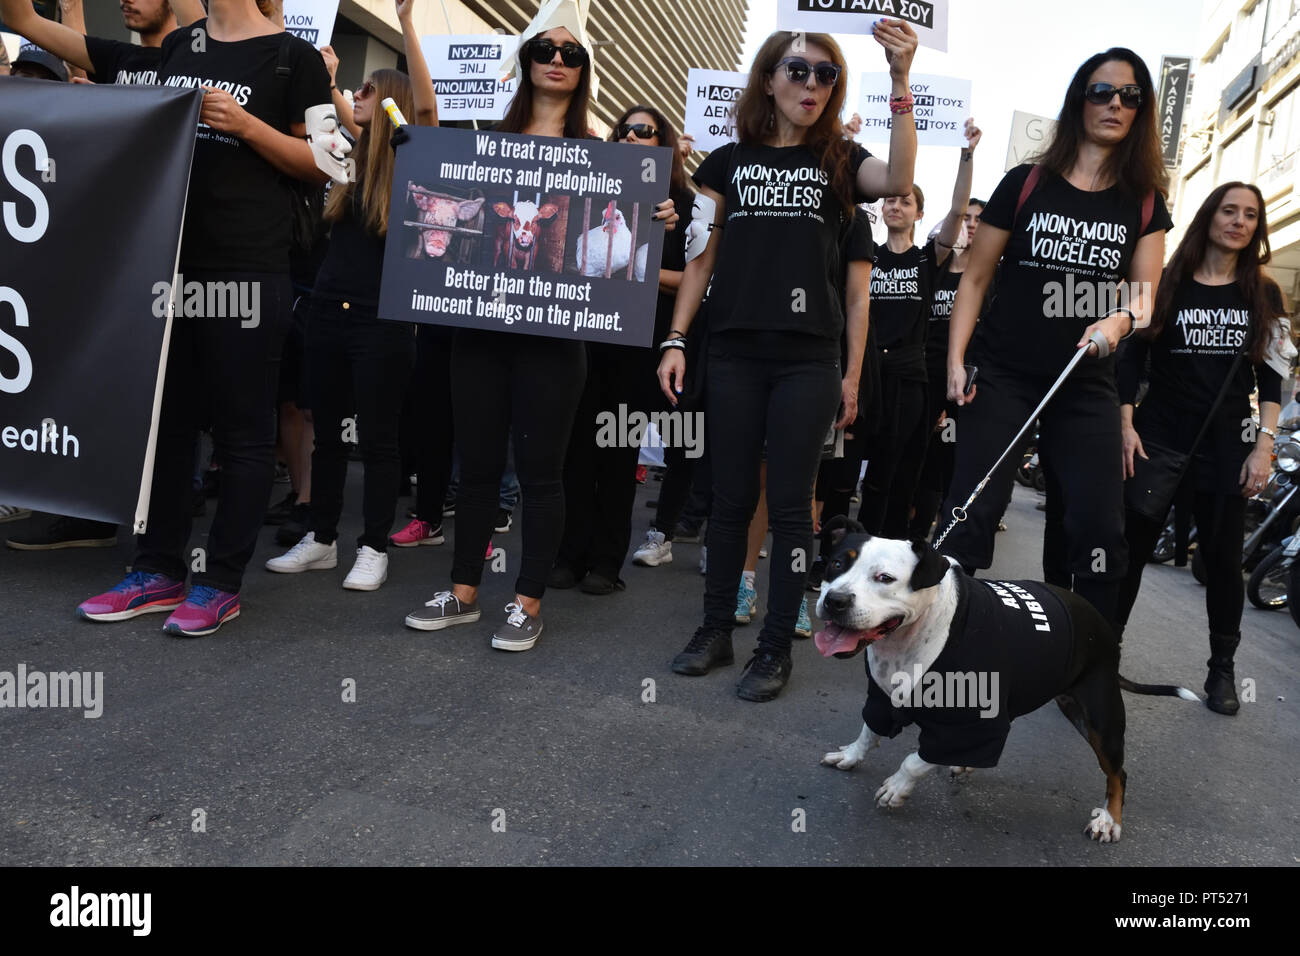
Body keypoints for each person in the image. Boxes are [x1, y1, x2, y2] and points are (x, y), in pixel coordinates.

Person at [402, 1, 678, 650]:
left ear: (584, 72)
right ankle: (464, 591)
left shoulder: (602, 159)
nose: (557, 61)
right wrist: (411, 26)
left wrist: (653, 212)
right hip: (479, 331)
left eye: (571, 54)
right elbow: (422, 121)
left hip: (556, 340)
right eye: (545, 51)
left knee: (541, 472)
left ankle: (527, 602)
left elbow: (618, 250)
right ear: (524, 61)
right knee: (474, 467)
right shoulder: (485, 143)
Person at [660, 23, 919, 701]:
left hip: (808, 361)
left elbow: (897, 177)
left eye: (825, 75)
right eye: (798, 71)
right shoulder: (727, 163)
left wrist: (898, 81)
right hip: (735, 353)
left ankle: (775, 647)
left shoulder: (840, 161)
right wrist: (677, 336)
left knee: (792, 511)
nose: (811, 84)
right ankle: (714, 629)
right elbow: (699, 259)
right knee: (726, 500)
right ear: (769, 79)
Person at [75, 0, 332, 636]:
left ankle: (219, 582)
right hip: (171, 262)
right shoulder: (180, 47)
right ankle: (158, 569)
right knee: (169, 425)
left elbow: (327, 164)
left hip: (248, 267)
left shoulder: (294, 58)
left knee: (244, 431)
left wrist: (246, 126)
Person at [936, 48, 1171, 628]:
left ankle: (1086, 661)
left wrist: (1117, 323)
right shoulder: (1026, 182)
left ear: (1141, 111)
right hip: (1005, 374)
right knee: (970, 512)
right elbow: (976, 278)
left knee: (1098, 524)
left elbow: (1143, 299)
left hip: (1084, 380)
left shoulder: (1143, 203)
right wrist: (956, 360)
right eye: (1101, 91)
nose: (1115, 103)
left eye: (1130, 95)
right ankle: (936, 641)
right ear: (1079, 100)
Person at [265, 0, 434, 591]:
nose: (355, 97)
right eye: (354, 89)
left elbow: (426, 110)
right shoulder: (347, 159)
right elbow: (322, 115)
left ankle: (373, 545)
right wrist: (318, 71)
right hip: (325, 313)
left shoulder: (412, 166)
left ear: (389, 102)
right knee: (329, 426)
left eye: (368, 90)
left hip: (381, 323)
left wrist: (408, 24)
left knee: (380, 438)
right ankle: (323, 537)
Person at [1116, 182, 1288, 716]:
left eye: (1249, 215)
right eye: (1228, 211)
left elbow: (1277, 376)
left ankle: (1222, 671)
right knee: (1126, 558)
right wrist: (1125, 421)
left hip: (1227, 449)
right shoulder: (1166, 286)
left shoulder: (1264, 294)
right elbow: (1128, 360)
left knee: (1221, 560)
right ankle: (1099, 656)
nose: (1238, 221)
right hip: (1157, 441)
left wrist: (1264, 447)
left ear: (1257, 228)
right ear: (1209, 217)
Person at [554, 104, 692, 594]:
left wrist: (640, 266)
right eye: (625, 130)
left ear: (663, 143)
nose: (632, 137)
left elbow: (697, 282)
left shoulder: (682, 204)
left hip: (637, 346)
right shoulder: (593, 193)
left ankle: (605, 565)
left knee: (616, 454)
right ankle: (567, 556)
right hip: (585, 340)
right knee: (575, 453)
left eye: (645, 131)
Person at [857, 121, 979, 537]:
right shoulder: (866, 256)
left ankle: (890, 550)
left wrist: (967, 155)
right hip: (867, 374)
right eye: (889, 199)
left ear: (918, 213)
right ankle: (845, 552)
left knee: (899, 472)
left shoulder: (929, 259)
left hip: (911, 381)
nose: (895, 206)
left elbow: (959, 210)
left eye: (905, 201)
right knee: (853, 469)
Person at [909, 198, 987, 539]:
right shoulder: (935, 268)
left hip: (959, 386)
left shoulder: (987, 279)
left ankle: (937, 538)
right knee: (914, 459)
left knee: (944, 462)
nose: (970, 224)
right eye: (965, 217)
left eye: (978, 220)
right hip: (922, 378)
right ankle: (906, 532)